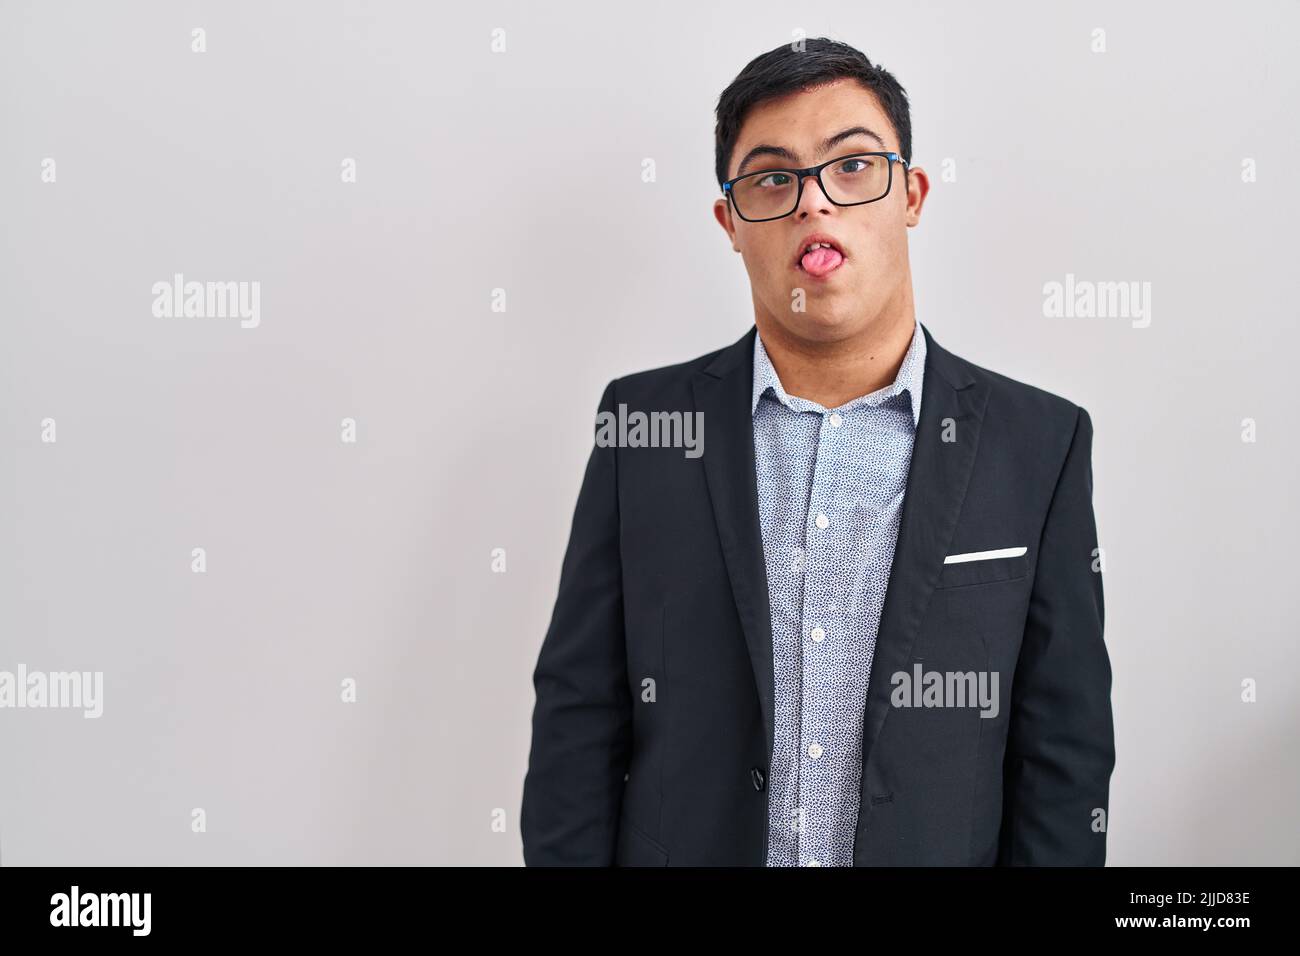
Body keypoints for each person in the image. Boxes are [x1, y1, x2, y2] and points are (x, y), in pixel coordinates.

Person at [521, 37, 1115, 866]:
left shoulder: (1038, 444)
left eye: (852, 167)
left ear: (911, 193)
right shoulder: (643, 429)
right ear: (729, 222)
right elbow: (578, 720)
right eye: (773, 177)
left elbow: (1065, 757)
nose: (814, 204)